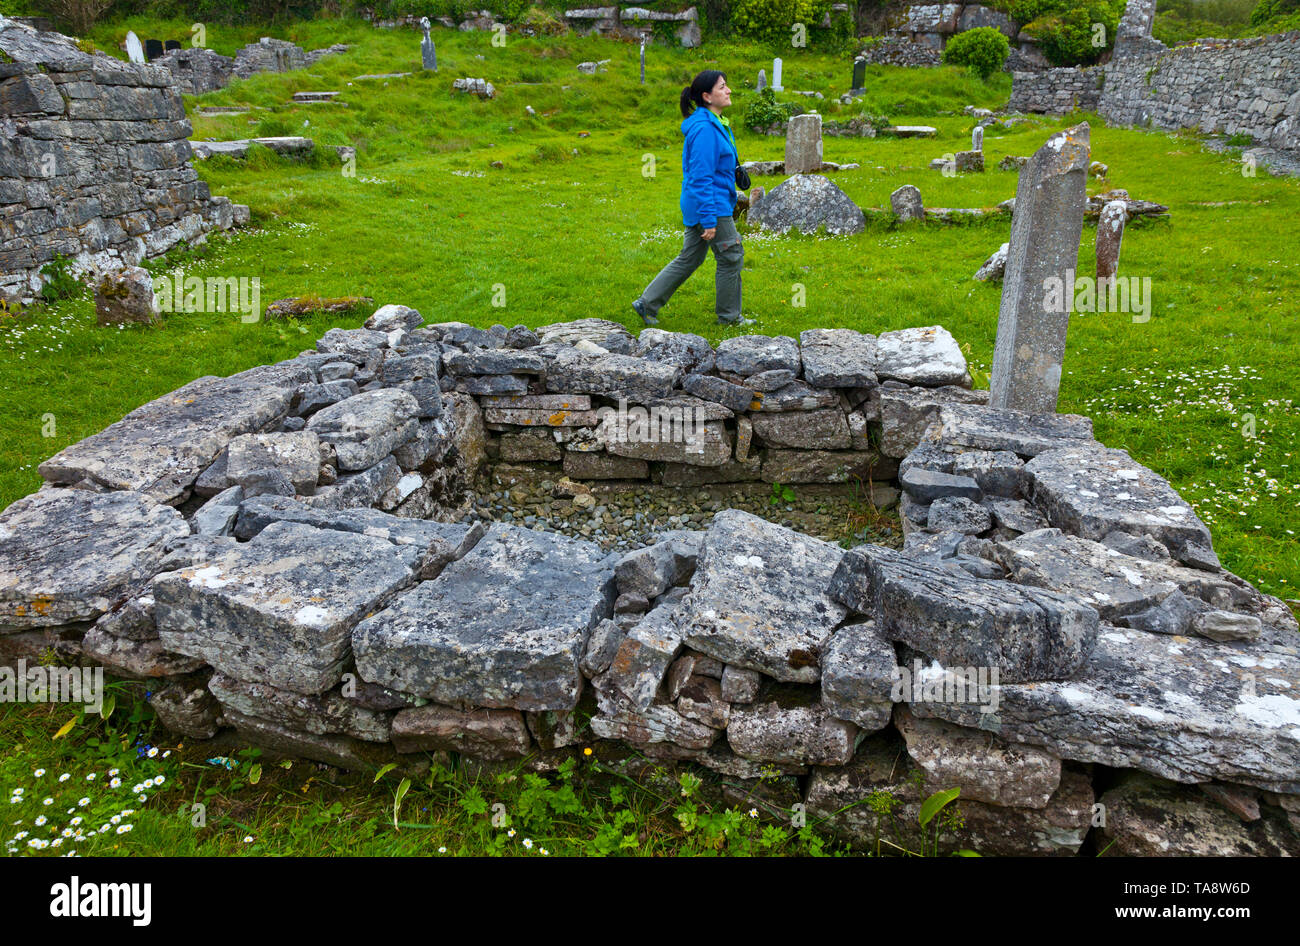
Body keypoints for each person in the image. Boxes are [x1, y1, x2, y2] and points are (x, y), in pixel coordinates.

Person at [632, 70, 754, 327]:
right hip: (710, 204)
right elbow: (701, 178)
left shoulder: (713, 123)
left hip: (705, 202)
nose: (729, 90)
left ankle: (647, 303)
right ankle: (730, 318)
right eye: (722, 87)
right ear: (707, 96)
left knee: (691, 256)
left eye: (727, 85)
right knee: (731, 256)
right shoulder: (705, 130)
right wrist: (709, 219)